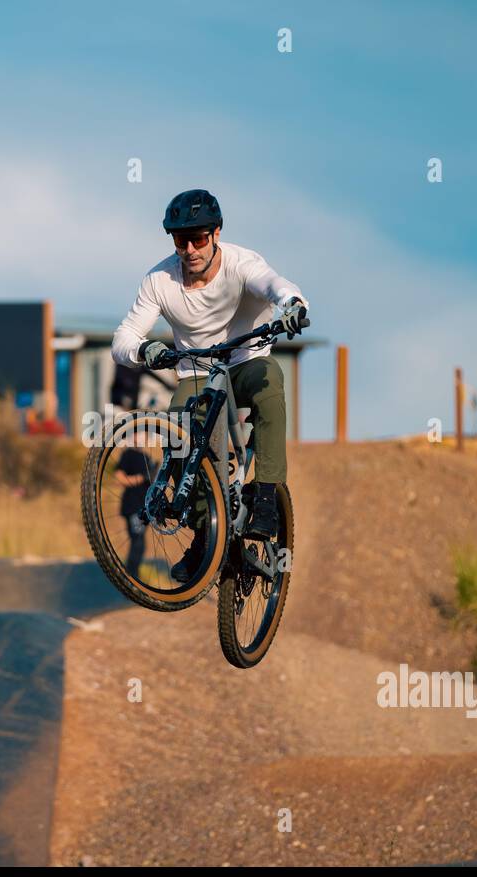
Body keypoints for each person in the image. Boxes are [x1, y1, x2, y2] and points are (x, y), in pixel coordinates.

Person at [111, 189, 308, 582]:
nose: (189, 249)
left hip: (246, 359)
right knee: (180, 427)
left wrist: (293, 306)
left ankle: (267, 498)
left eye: (198, 238)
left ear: (216, 234)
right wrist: (145, 350)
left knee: (270, 386)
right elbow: (124, 337)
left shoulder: (241, 264)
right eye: (180, 240)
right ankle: (205, 534)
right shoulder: (158, 280)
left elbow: (276, 285)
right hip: (198, 371)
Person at [114, 434, 152, 578]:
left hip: (144, 507)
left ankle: (132, 577)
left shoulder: (146, 457)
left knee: (140, 542)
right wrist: (140, 478)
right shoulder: (128, 454)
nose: (142, 437)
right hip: (132, 506)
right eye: (139, 433)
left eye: (144, 434)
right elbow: (119, 476)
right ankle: (131, 577)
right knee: (138, 541)